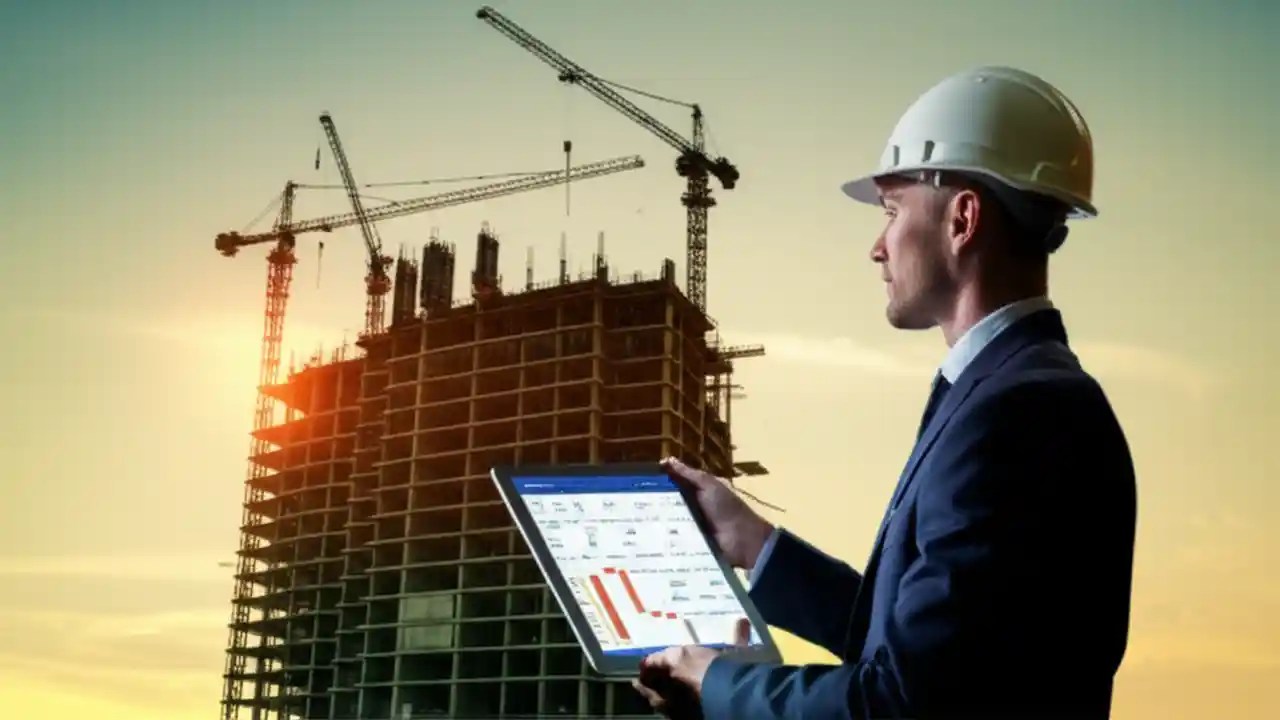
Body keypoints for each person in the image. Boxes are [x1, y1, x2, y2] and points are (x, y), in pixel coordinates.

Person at [632, 66, 1138, 719]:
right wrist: (756, 544)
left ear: (963, 218)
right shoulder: (1016, 392)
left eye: (893, 210)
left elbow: (900, 701)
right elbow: (928, 649)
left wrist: (719, 686)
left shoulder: (1015, 414)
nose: (877, 247)